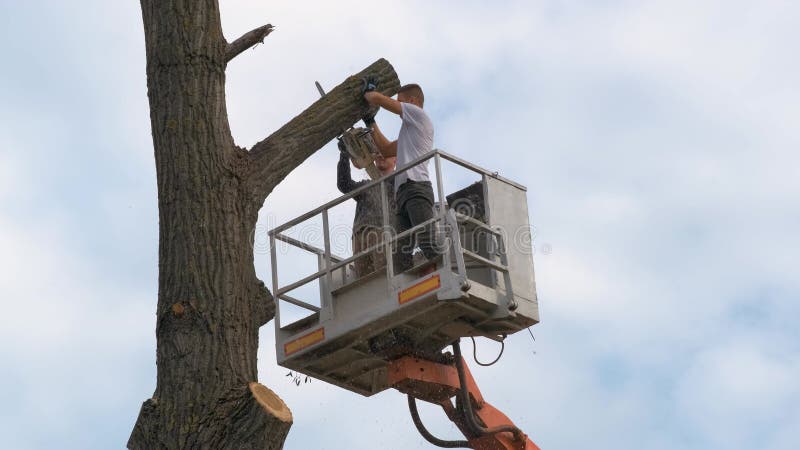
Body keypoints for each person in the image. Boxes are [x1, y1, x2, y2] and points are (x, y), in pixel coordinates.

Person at [363, 83, 436, 272]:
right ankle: (406, 283)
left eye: (400, 102)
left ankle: (445, 271)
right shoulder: (409, 131)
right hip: (402, 192)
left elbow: (379, 100)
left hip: (416, 186)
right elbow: (386, 150)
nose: (397, 105)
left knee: (426, 241)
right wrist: (370, 122)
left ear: (413, 102)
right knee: (400, 251)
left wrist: (369, 94)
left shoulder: (421, 117)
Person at [337, 139, 397, 277]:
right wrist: (344, 154)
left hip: (384, 232)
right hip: (359, 235)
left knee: (384, 275)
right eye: (377, 153)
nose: (381, 156)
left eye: (386, 153)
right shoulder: (367, 184)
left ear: (395, 160)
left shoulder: (400, 180)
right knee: (364, 279)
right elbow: (344, 184)